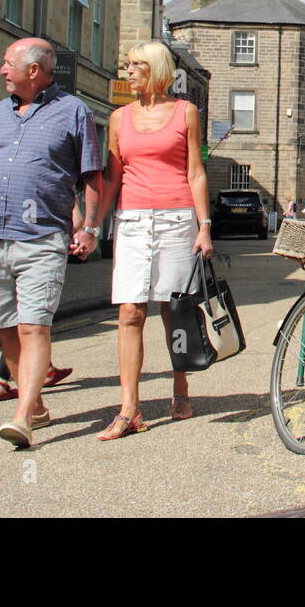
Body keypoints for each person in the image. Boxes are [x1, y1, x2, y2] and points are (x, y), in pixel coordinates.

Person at [0, 38, 102, 449]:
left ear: (34, 70)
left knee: (33, 325)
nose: (1, 70)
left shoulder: (74, 112)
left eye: (8, 63)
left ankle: (23, 416)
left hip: (43, 237)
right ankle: (38, 405)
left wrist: (90, 228)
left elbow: (91, 176)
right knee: (4, 327)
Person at [93, 40, 212, 440]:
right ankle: (130, 408)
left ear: (156, 70)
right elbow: (112, 177)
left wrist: (204, 225)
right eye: (127, 64)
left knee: (175, 309)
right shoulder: (118, 118)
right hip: (132, 221)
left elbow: (195, 172)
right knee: (129, 312)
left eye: (136, 65)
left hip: (178, 219)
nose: (128, 71)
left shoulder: (185, 113)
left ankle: (180, 388)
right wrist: (93, 225)